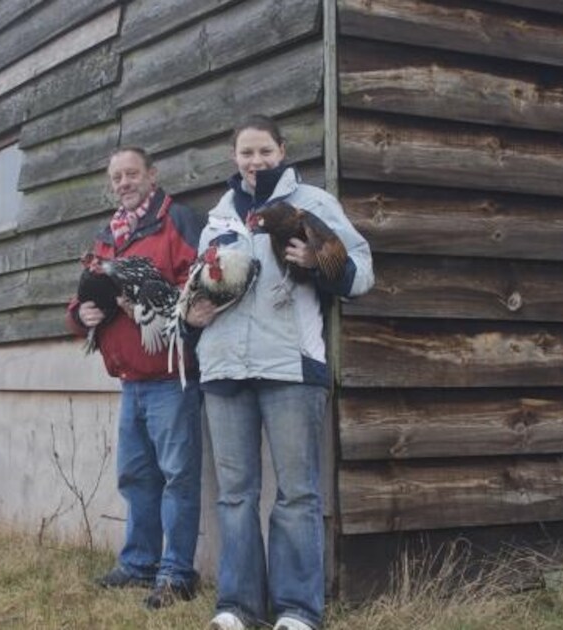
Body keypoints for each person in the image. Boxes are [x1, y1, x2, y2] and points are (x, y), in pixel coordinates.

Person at [187, 115, 374, 630]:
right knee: (235, 493)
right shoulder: (220, 215)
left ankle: (297, 610)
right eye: (246, 153)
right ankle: (237, 607)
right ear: (234, 158)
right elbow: (195, 283)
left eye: (264, 151)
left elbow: (363, 272)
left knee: (297, 493)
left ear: (282, 151)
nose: (256, 161)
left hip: (289, 366)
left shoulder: (313, 203)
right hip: (224, 366)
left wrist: (320, 263)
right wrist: (191, 313)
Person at [67, 146, 205, 610]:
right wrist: (81, 314)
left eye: (131, 174)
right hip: (129, 378)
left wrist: (161, 306)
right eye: (116, 178)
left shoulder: (177, 222)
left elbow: (198, 286)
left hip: (172, 377)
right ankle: (139, 562)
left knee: (177, 478)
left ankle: (177, 572)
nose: (123, 183)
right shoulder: (109, 236)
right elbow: (83, 294)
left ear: (152, 175)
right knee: (136, 476)